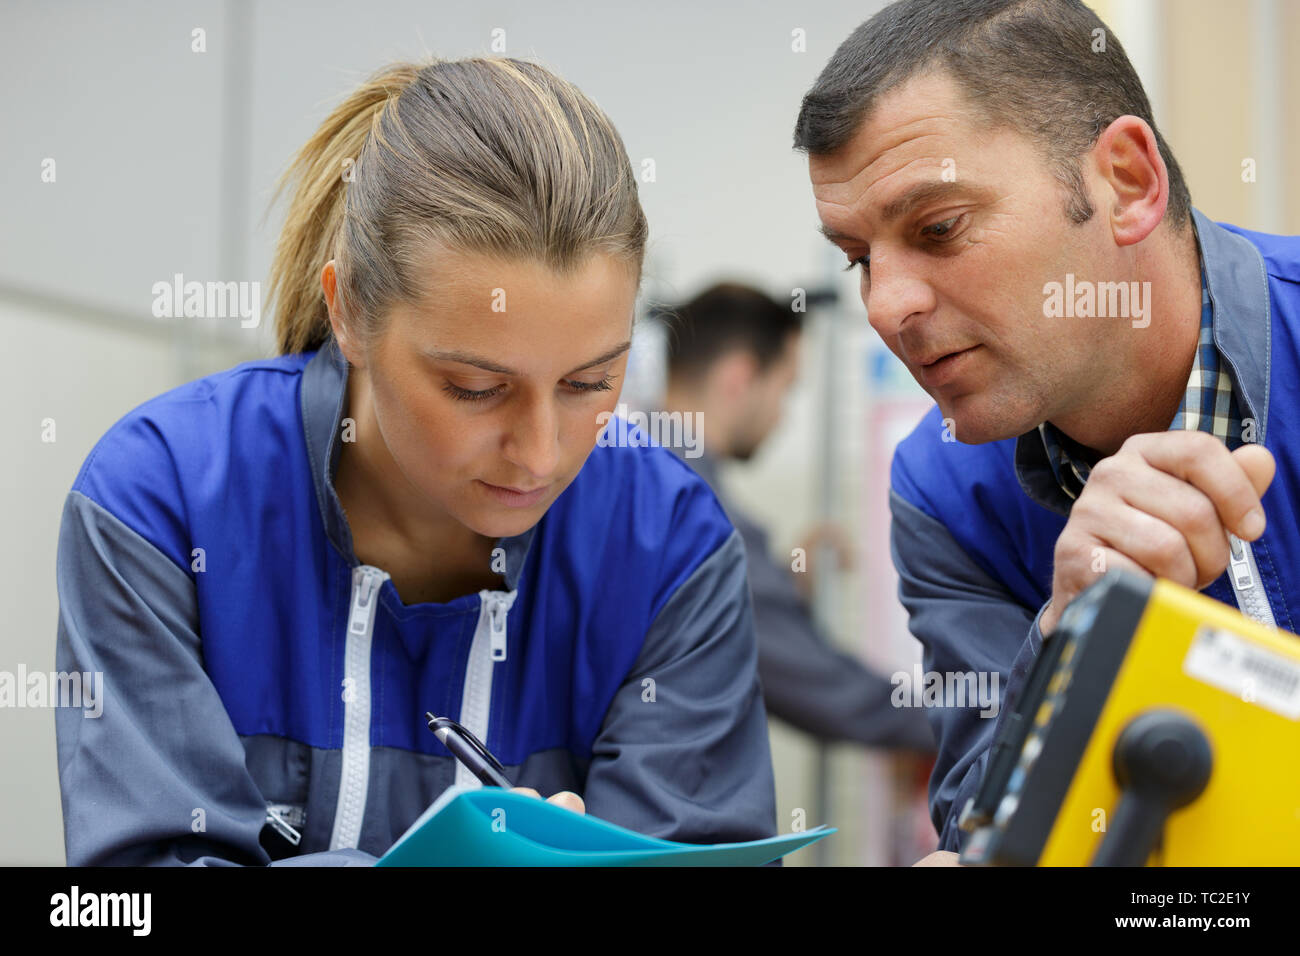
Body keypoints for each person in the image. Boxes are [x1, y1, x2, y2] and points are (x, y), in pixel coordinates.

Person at [54, 56, 776, 866]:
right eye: (474, 387)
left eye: (590, 382)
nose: (541, 452)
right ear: (350, 310)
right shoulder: (163, 498)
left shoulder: (670, 545)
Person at [792, 0, 1294, 858]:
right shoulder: (945, 488)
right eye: (859, 259)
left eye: (939, 229)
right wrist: (1065, 637)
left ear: (1126, 183)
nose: (885, 305)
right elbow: (981, 822)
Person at [659, 282, 933, 752]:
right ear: (739, 378)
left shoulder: (630, 464)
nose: (782, 417)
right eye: (785, 390)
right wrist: (970, 721)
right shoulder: (691, 510)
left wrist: (778, 580)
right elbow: (827, 690)